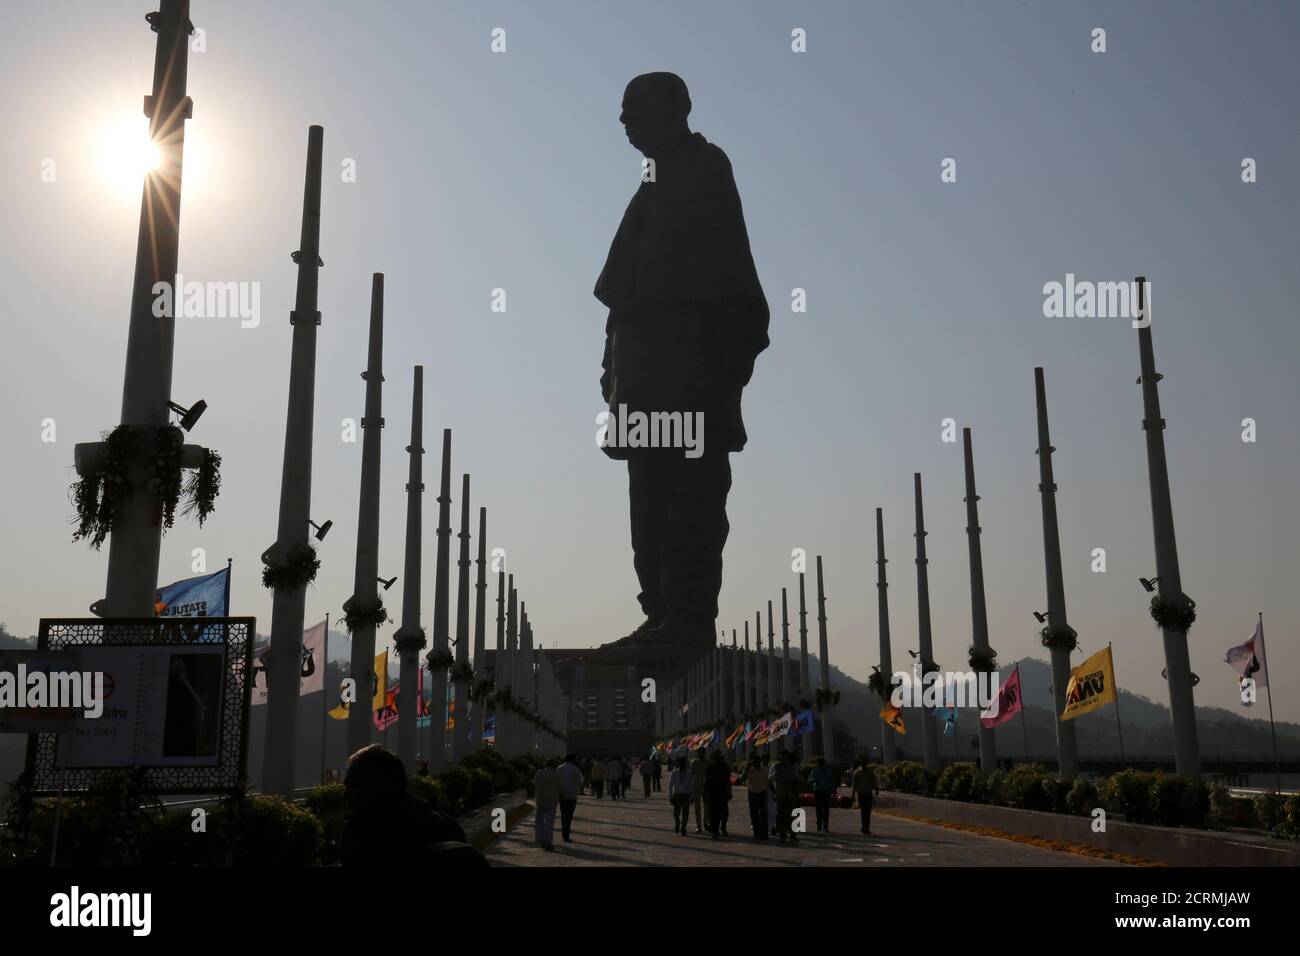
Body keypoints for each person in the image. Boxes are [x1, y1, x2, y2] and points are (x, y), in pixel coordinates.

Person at [598, 72, 770, 650]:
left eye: (633, 109)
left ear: (673, 110)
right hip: (642, 377)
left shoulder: (704, 169)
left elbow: (723, 275)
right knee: (645, 503)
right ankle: (661, 612)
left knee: (688, 500)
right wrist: (611, 367)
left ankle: (689, 620)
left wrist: (719, 363)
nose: (623, 120)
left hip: (686, 376)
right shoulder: (652, 181)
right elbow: (624, 296)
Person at [338, 745, 484, 867]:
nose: (346, 795)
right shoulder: (445, 826)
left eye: (352, 785)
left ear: (377, 785)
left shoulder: (361, 835)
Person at [770, 750, 799, 844]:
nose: (784, 759)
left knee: (792, 815)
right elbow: (769, 779)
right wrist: (777, 774)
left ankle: (793, 835)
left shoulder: (792, 767)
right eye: (783, 757)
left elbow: (796, 778)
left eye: (786, 757)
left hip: (790, 794)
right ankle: (782, 835)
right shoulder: (776, 766)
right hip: (780, 794)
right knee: (781, 815)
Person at [533, 758, 561, 851]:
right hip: (552, 800)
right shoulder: (557, 774)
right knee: (549, 822)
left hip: (540, 799)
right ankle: (548, 842)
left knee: (539, 821)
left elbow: (534, 783)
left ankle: (540, 839)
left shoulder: (539, 773)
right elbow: (561, 786)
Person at [704, 750, 732, 838]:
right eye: (715, 756)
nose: (717, 758)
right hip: (712, 792)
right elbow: (706, 780)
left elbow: (728, 780)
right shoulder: (710, 767)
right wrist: (704, 791)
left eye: (718, 756)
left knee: (725, 812)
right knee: (713, 812)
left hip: (723, 791)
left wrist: (729, 791)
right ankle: (715, 831)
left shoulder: (725, 766)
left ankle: (723, 826)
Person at [557, 753, 584, 842]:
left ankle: (564, 833)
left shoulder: (559, 768)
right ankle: (566, 835)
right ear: (573, 760)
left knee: (563, 815)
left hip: (562, 795)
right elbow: (580, 782)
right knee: (569, 816)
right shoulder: (575, 769)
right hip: (572, 795)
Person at [852, 756, 880, 835]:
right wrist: (853, 795)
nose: (864, 764)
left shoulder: (870, 772)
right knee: (863, 811)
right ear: (861, 763)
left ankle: (866, 827)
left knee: (867, 811)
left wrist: (877, 790)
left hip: (868, 794)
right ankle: (865, 827)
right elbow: (854, 785)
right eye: (863, 763)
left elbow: (874, 781)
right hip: (861, 794)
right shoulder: (857, 773)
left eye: (865, 763)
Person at [744, 754, 769, 839]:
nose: (755, 764)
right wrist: (747, 768)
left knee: (763, 814)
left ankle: (764, 833)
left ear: (759, 762)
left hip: (762, 793)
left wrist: (773, 793)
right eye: (753, 762)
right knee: (754, 814)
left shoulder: (765, 770)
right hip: (752, 793)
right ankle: (756, 832)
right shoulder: (749, 771)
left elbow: (769, 782)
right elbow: (742, 779)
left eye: (756, 762)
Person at [809, 756, 836, 832]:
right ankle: (819, 826)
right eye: (819, 762)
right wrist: (812, 781)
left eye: (822, 762)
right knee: (819, 810)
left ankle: (825, 826)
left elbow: (831, 782)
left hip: (826, 792)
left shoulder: (827, 771)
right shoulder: (814, 771)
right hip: (818, 792)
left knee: (826, 810)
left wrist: (834, 791)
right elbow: (809, 781)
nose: (821, 764)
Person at [668, 756, 693, 834]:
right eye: (681, 763)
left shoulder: (689, 773)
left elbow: (691, 785)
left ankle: (683, 828)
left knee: (685, 813)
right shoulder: (674, 773)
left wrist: (692, 797)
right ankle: (677, 822)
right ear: (679, 764)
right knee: (676, 813)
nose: (682, 765)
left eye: (684, 763)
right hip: (677, 795)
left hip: (686, 795)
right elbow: (670, 785)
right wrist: (671, 796)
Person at [689, 749, 707, 834]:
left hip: (707, 786)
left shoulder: (708, 763)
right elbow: (691, 775)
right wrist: (691, 791)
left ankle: (706, 824)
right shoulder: (694, 762)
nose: (700, 755)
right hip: (696, 786)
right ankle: (698, 826)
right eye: (699, 753)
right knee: (697, 807)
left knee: (707, 807)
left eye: (702, 753)